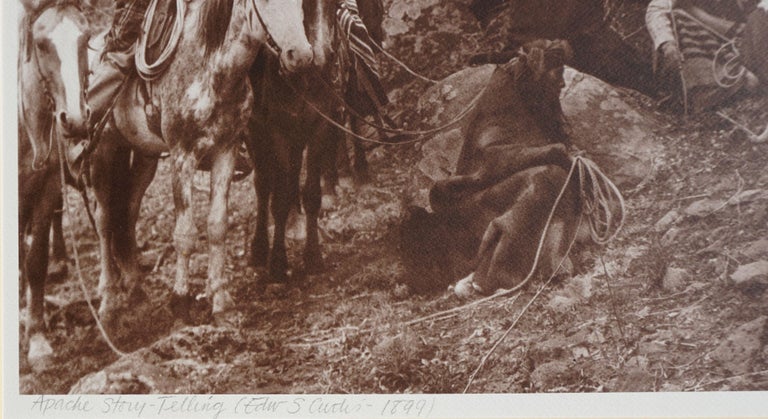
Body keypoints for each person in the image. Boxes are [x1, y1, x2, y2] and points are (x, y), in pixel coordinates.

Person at [646, 0, 765, 113]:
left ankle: (743, 74)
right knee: (676, 15)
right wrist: (667, 44)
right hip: (696, 45)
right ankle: (710, 88)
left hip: (731, 40)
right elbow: (656, 10)